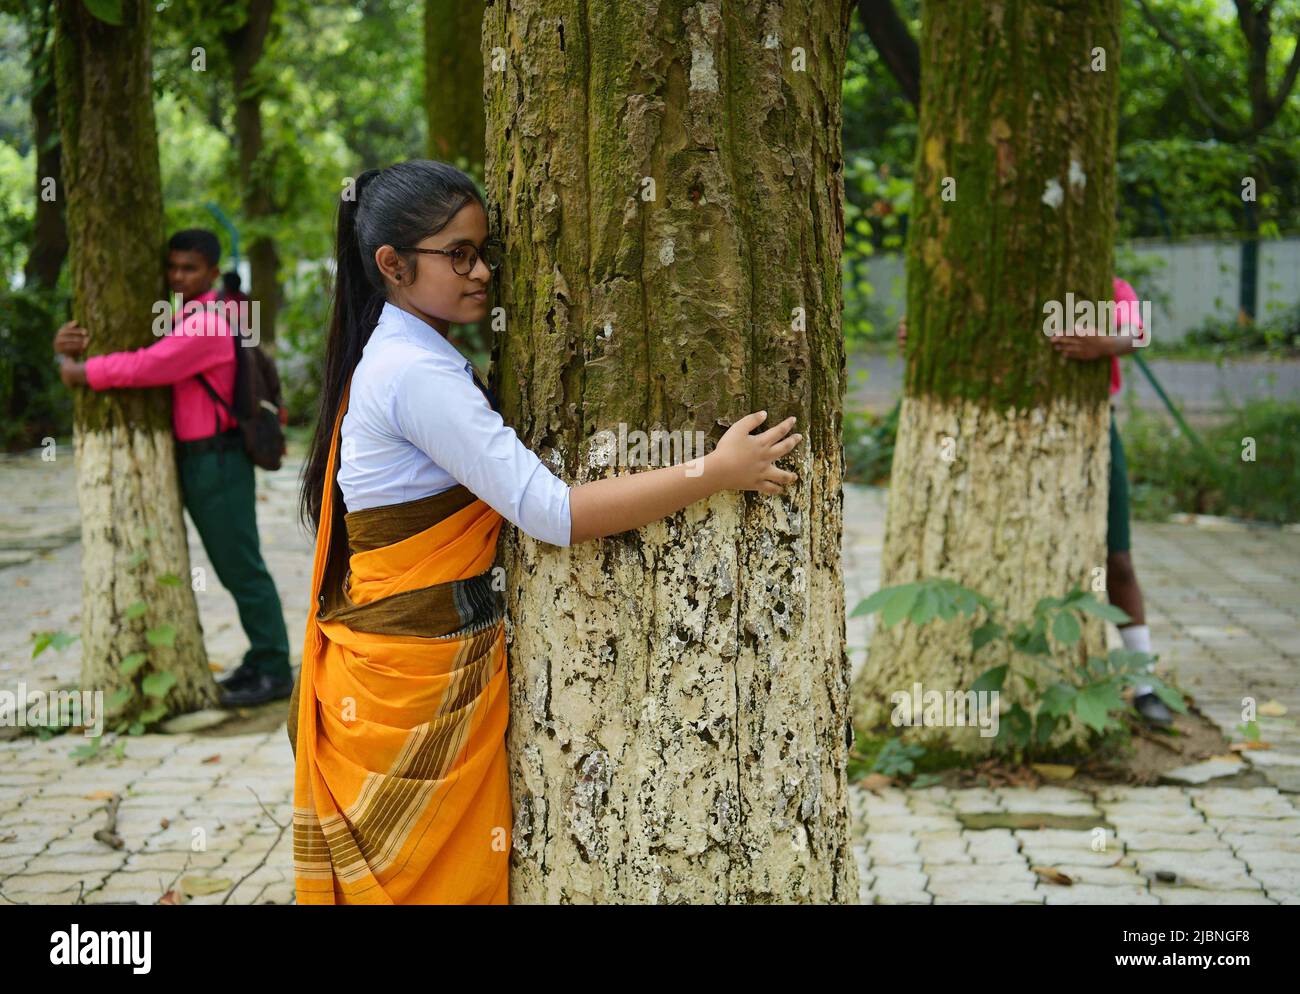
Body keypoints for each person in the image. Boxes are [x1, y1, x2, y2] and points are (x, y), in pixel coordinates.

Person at [290, 159, 802, 904]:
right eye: (457, 255)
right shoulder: (414, 373)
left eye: (483, 251)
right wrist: (715, 471)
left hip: (405, 657)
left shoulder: (408, 354)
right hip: (411, 675)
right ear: (392, 265)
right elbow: (552, 513)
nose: (482, 273)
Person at [897, 279, 1169, 728]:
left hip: (1094, 431)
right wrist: (924, 334)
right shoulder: (991, 281)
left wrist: (1105, 344)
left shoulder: (1111, 287)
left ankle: (1145, 683)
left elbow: (1138, 333)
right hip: (991, 437)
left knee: (1117, 560)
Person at [53, 229, 292, 709]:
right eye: (174, 267)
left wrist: (77, 370)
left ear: (209, 271)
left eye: (190, 268)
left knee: (241, 567)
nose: (178, 276)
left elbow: (148, 367)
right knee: (236, 566)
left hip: (218, 461)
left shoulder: (205, 323)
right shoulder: (189, 316)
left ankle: (273, 668)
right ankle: (263, 657)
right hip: (202, 458)